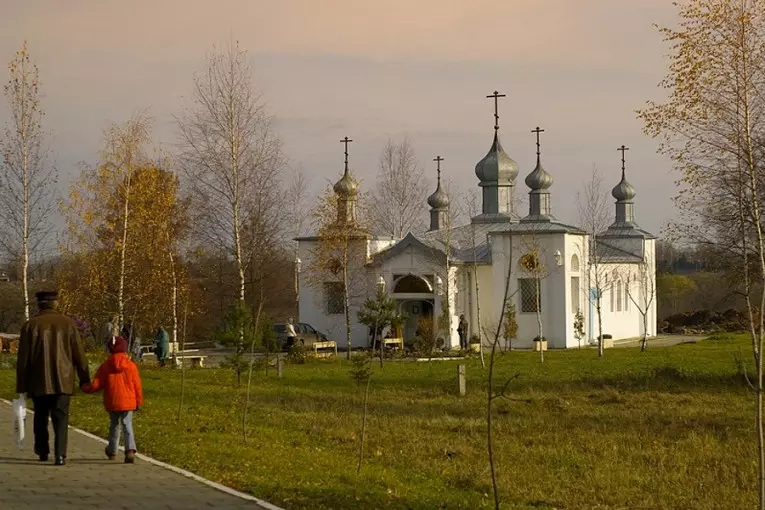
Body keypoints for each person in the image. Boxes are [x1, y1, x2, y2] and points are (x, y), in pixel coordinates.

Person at [16, 291, 91, 466]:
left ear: (39, 304)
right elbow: (78, 354)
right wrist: (84, 378)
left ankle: (42, 450)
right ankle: (60, 455)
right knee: (61, 417)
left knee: (40, 416)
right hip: (63, 380)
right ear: (56, 304)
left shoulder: (30, 326)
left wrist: (22, 385)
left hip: (38, 380)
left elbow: (23, 359)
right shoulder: (68, 324)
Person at [82, 336, 143, 464]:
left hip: (113, 401)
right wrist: (138, 401)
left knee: (114, 425)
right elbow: (137, 385)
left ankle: (112, 450)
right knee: (127, 424)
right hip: (128, 401)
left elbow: (97, 384)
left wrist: (86, 388)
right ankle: (130, 450)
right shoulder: (131, 366)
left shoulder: (106, 366)